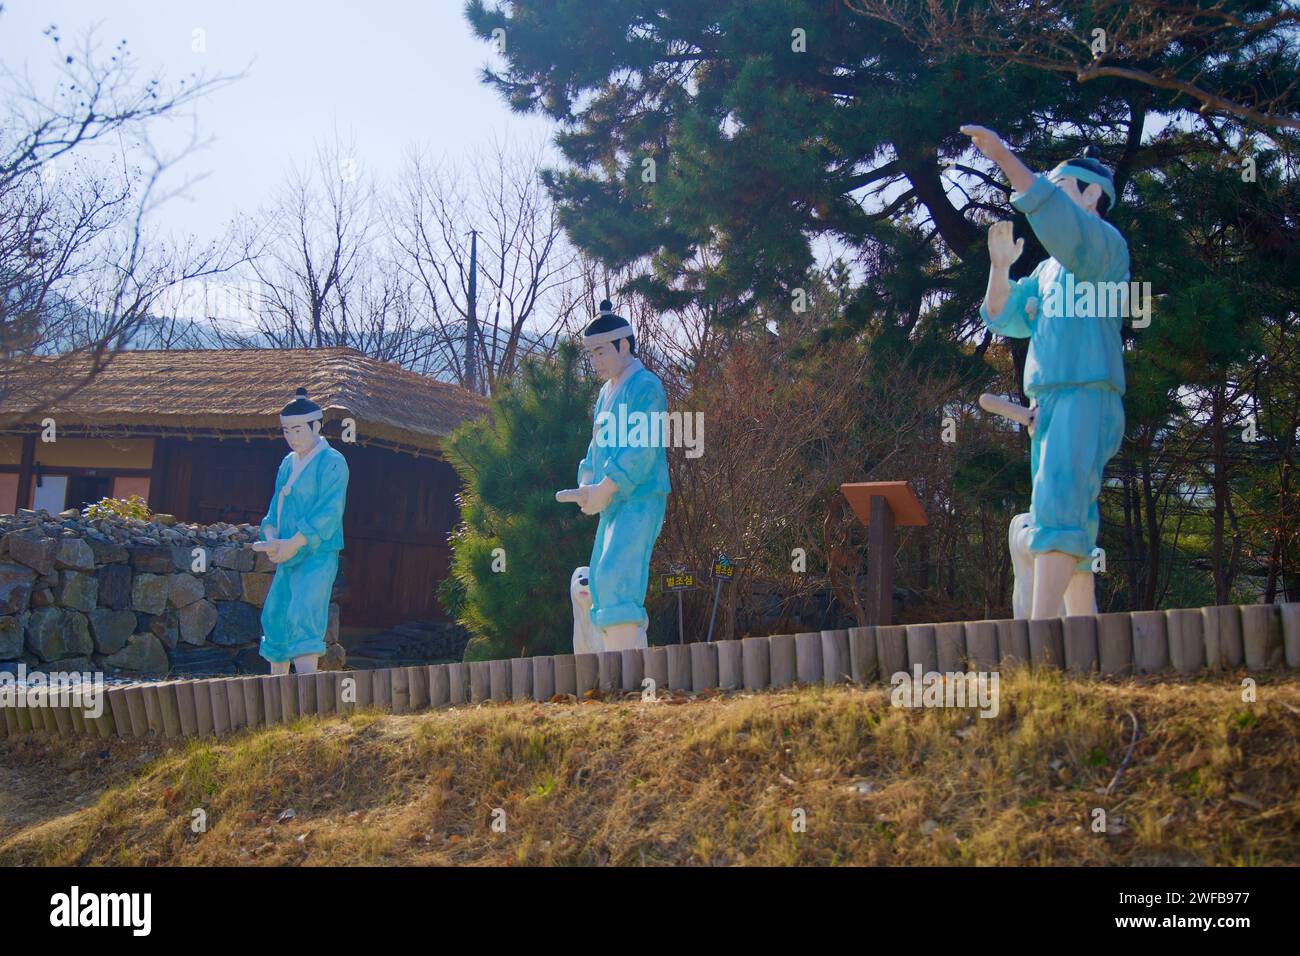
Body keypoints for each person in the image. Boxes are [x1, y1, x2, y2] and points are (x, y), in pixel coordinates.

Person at [963, 125, 1128, 619]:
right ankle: (1083, 636)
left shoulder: (1105, 249)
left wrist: (1005, 158)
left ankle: (1036, 635)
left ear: (1094, 193)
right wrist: (999, 268)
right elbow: (1002, 316)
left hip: (1086, 393)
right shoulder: (1047, 273)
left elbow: (1057, 223)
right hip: (1048, 406)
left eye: (1063, 190)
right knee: (1064, 516)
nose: (1051, 200)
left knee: (1058, 511)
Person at [557, 300, 671, 651]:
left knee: (617, 573)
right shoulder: (605, 394)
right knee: (602, 580)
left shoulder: (646, 387)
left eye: (601, 351)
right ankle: (613, 667)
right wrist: (587, 485)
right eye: (590, 354)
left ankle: (629, 668)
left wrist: (607, 486)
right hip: (612, 501)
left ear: (624, 346)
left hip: (641, 495)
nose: (595, 360)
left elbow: (643, 447)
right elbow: (597, 446)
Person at [257, 387, 349, 674]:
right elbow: (275, 508)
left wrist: (296, 542)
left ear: (316, 426)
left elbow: (329, 513)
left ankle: (307, 691)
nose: (291, 437)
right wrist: (272, 538)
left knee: (304, 612)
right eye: (286, 431)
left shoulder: (333, 461)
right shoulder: (287, 463)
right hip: (287, 553)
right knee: (276, 613)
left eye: (297, 429)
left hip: (316, 552)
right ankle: (277, 689)